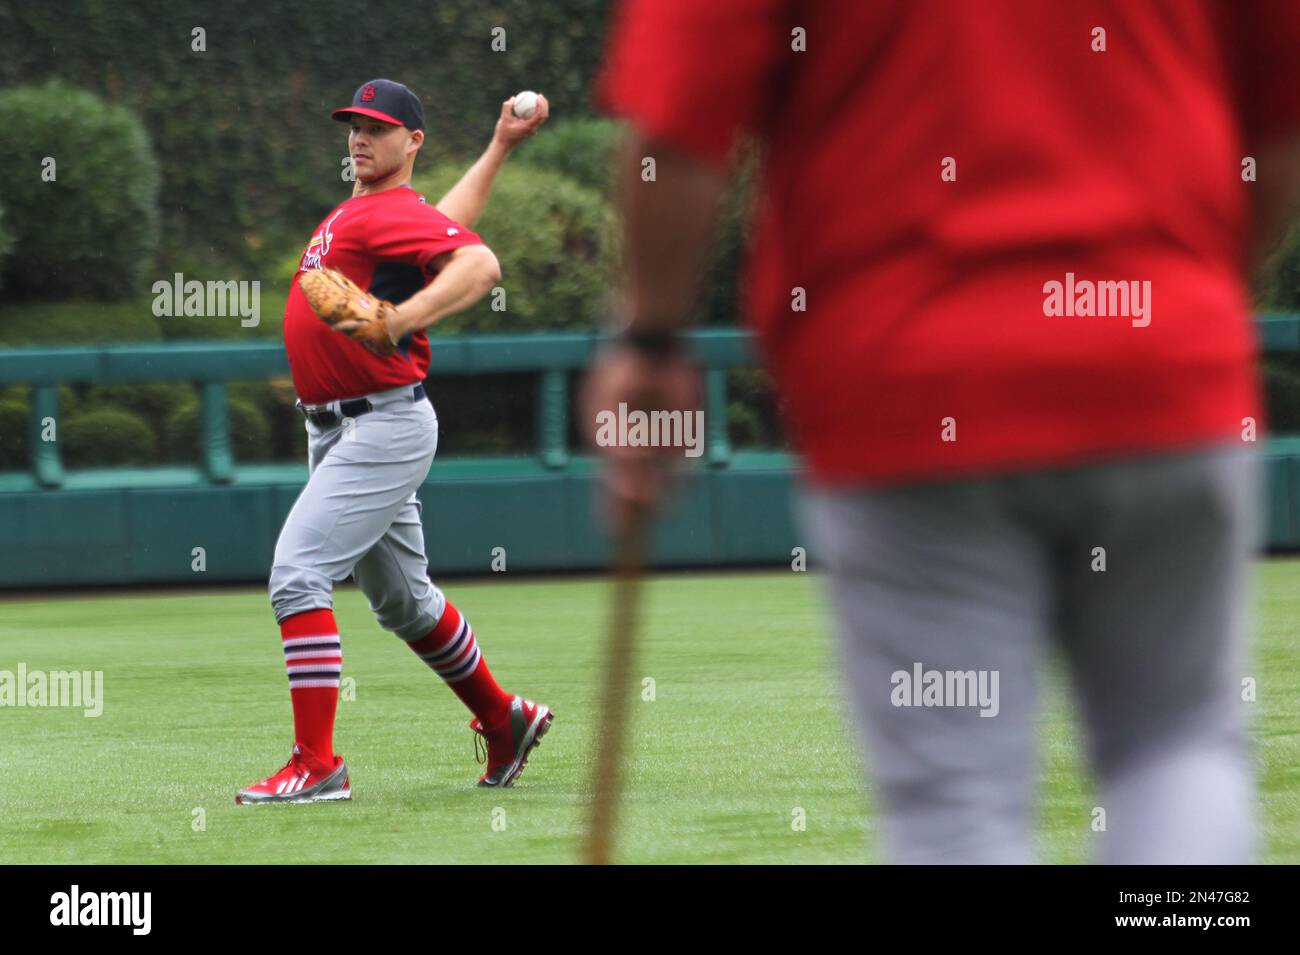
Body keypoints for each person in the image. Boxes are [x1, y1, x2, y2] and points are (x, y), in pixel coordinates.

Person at [587, 1, 1300, 861]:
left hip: (912, 378)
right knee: (1176, 745)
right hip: (1161, 354)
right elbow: (1278, 121)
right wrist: (1194, 302)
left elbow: (679, 129)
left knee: (957, 797)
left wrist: (651, 335)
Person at [237, 79, 554, 804]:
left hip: (379, 424)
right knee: (407, 604)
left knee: (297, 574)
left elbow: (478, 263)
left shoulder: (387, 211)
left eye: (377, 128)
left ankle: (317, 764)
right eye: (353, 124)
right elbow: (447, 224)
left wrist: (399, 320)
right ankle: (504, 718)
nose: (359, 137)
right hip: (342, 428)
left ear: (411, 142)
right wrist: (501, 145)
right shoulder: (376, 214)